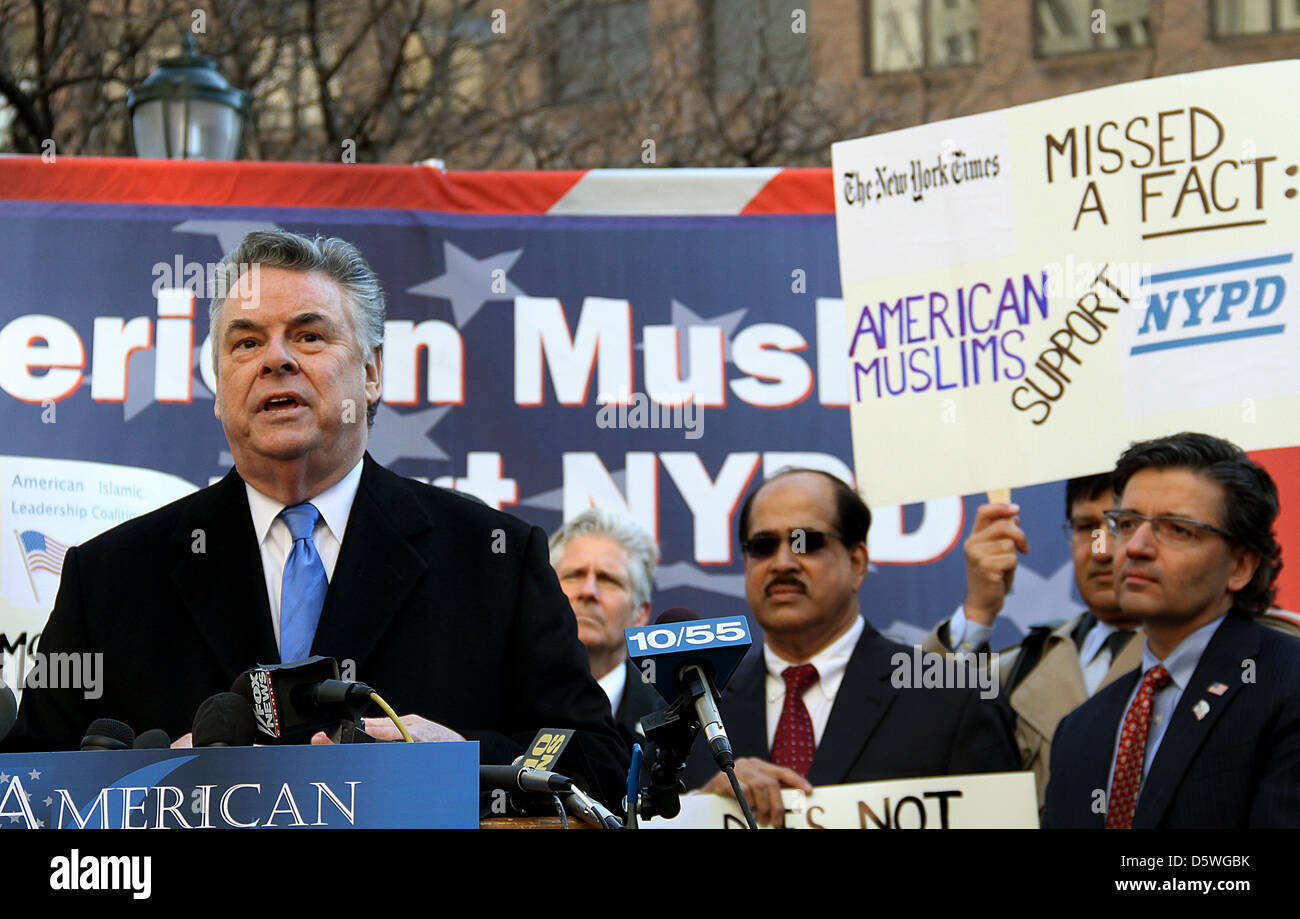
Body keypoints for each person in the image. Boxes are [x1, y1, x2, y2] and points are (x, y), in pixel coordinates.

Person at [5, 231, 628, 806]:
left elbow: (597, 760)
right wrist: (145, 784)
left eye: (308, 335)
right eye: (246, 342)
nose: (275, 359)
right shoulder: (112, 576)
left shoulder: (494, 559)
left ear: (373, 371)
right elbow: (26, 784)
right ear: (220, 387)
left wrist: (460, 761)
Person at [681, 468, 1019, 826]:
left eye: (805, 542)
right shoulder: (691, 713)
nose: (782, 562)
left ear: (856, 563)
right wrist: (702, 809)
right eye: (763, 546)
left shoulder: (954, 697)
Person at [1045, 432, 1300, 828]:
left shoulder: (1287, 685)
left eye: (1177, 528)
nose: (1135, 547)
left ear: (1240, 566)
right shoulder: (1079, 729)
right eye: (1126, 524)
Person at [923, 474, 1143, 810]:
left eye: (1120, 526)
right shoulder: (1024, 666)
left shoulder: (1218, 657)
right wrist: (979, 608)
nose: (1102, 551)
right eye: (1086, 528)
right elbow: (921, 723)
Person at [549, 508, 662, 747]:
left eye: (608, 579)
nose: (588, 591)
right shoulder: (502, 702)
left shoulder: (671, 720)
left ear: (640, 613)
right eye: (574, 575)